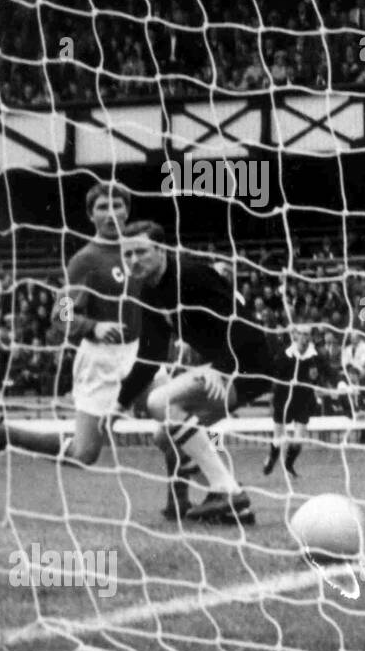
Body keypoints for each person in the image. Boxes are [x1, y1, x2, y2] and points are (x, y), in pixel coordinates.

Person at [120, 221, 280, 525]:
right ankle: (231, 507)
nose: (134, 261)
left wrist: (221, 367)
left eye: (140, 252)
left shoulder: (191, 275)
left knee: (159, 403)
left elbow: (243, 324)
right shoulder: (149, 292)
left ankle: (227, 491)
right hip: (230, 365)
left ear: (161, 249)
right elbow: (150, 357)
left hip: (249, 361)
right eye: (127, 255)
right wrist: (119, 403)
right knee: (164, 435)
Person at [0, 182, 141, 467]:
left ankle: (181, 500)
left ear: (127, 210)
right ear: (91, 216)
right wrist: (92, 326)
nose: (111, 213)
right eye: (102, 207)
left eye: (117, 205)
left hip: (140, 354)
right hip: (102, 361)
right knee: (84, 454)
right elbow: (60, 315)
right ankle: (5, 433)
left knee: (172, 412)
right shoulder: (85, 260)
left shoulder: (139, 251)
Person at [262, 324, 323, 478]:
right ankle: (271, 459)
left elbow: (327, 373)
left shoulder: (315, 357)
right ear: (295, 335)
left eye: (307, 334)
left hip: (303, 401)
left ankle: (289, 465)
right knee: (278, 437)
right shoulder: (285, 354)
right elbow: (274, 374)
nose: (304, 338)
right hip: (283, 400)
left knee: (299, 438)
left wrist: (339, 384)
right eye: (301, 334)